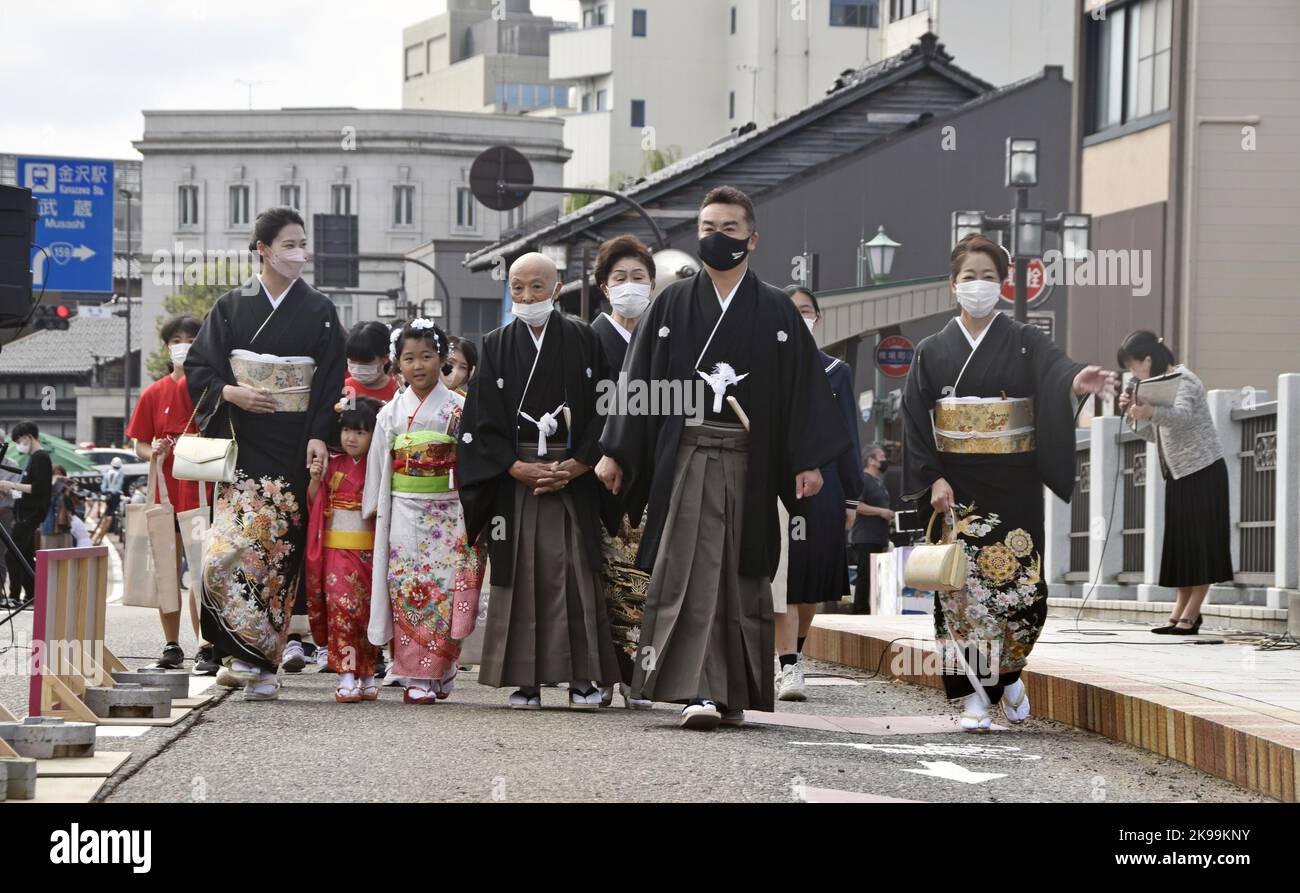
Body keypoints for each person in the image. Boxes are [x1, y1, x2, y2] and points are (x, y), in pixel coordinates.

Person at [597, 186, 849, 730]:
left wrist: (808, 460)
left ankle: (733, 689)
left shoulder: (778, 309)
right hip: (687, 454)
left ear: (752, 239)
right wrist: (617, 449)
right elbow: (638, 378)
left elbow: (804, 389)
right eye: (708, 227)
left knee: (742, 571)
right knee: (691, 567)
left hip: (749, 461)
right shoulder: (672, 303)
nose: (717, 237)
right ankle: (698, 689)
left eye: (730, 229)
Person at [901, 233, 1117, 732]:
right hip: (958, 489)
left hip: (1015, 484)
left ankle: (1011, 673)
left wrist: (1076, 379)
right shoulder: (932, 351)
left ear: (1003, 284)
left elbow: (1056, 369)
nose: (979, 286)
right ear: (953, 285)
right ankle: (976, 700)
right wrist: (932, 476)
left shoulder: (1025, 338)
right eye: (969, 277)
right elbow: (915, 419)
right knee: (964, 595)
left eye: (989, 277)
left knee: (1022, 591)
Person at [184, 206, 347, 701]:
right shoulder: (232, 306)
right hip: (243, 442)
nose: (300, 253)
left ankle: (264, 663)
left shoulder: (319, 309)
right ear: (262, 249)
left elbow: (331, 379)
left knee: (276, 553)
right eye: (289, 245)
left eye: (303, 244)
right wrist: (233, 394)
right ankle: (236, 652)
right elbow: (198, 366)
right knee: (227, 551)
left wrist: (320, 433)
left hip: (292, 444)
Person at [458, 252, 621, 710]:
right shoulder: (494, 342)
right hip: (517, 478)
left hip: (572, 471)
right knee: (521, 575)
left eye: (535, 286)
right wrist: (514, 467)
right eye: (517, 287)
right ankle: (524, 679)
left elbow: (606, 405)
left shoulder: (584, 338)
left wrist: (580, 464)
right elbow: (481, 417)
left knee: (574, 575)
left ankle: (582, 678)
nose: (526, 296)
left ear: (557, 287)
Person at [363, 321, 486, 704]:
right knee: (407, 589)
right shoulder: (390, 414)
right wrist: (374, 507)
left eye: (427, 357)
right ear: (396, 364)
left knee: (447, 590)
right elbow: (378, 466)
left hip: (450, 511)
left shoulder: (461, 409)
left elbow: (474, 462)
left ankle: (443, 668)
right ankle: (416, 676)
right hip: (403, 509)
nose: (418, 366)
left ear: (443, 359)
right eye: (409, 359)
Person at [774, 285, 865, 702]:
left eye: (807, 310)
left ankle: (797, 651)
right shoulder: (767, 368)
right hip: (776, 483)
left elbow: (848, 434)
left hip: (825, 487)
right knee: (783, 578)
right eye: (793, 311)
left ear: (818, 318)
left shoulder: (836, 372)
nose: (801, 317)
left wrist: (851, 497)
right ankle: (788, 665)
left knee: (809, 584)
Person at [1117, 330, 1233, 635]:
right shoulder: (1155, 387)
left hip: (1204, 471)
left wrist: (1150, 410)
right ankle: (1180, 612)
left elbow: (1180, 416)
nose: (1132, 373)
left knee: (1201, 544)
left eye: (1133, 366)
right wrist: (1132, 414)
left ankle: (1191, 613)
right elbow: (1154, 434)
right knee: (1182, 546)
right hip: (1179, 475)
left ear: (1148, 360)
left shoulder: (1184, 379)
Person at [128, 315, 218, 674]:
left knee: (200, 570)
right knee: (167, 569)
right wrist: (156, 452)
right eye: (176, 339)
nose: (183, 345)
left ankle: (205, 644)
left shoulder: (210, 388)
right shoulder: (154, 392)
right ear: (167, 347)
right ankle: (171, 645)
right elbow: (138, 444)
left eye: (191, 339)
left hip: (199, 489)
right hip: (164, 492)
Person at [590, 234, 657, 710]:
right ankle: (602, 673)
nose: (629, 286)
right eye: (620, 279)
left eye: (638, 278)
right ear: (602, 287)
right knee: (603, 577)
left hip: (653, 476)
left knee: (651, 576)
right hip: (599, 474)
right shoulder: (590, 339)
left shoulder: (665, 336)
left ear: (652, 285)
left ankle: (645, 677)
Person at [305, 397, 382, 702]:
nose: (351, 437)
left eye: (361, 432)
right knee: (342, 610)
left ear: (374, 435)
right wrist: (314, 479)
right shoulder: (332, 465)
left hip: (368, 553)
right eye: (347, 430)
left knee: (366, 614)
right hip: (337, 552)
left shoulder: (378, 465)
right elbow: (315, 502)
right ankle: (346, 674)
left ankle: (366, 674)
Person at [0, 422, 53, 609]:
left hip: (30, 515)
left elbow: (40, 488)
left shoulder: (41, 458)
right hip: (25, 513)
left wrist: (11, 485)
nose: (18, 445)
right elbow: (27, 490)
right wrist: (11, 489)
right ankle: (33, 595)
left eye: (19, 440)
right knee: (25, 555)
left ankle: (15, 595)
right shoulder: (34, 458)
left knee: (12, 555)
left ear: (29, 437)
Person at [849, 444, 894, 614]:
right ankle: (859, 610)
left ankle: (872, 609)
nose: (885, 460)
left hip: (878, 537)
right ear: (871, 461)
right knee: (865, 576)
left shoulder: (878, 483)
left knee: (875, 577)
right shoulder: (863, 480)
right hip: (865, 537)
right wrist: (881, 512)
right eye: (881, 457)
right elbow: (857, 505)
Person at [344, 321, 399, 404]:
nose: (358, 367)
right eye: (352, 360)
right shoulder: (343, 388)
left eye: (365, 361)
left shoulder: (397, 390)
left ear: (385, 358)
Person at [94, 457, 125, 545]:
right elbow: (118, 485)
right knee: (113, 512)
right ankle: (110, 528)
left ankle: (106, 527)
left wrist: (105, 491)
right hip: (115, 495)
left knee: (107, 511)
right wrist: (113, 492)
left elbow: (103, 484)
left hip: (107, 493)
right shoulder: (120, 474)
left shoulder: (107, 472)